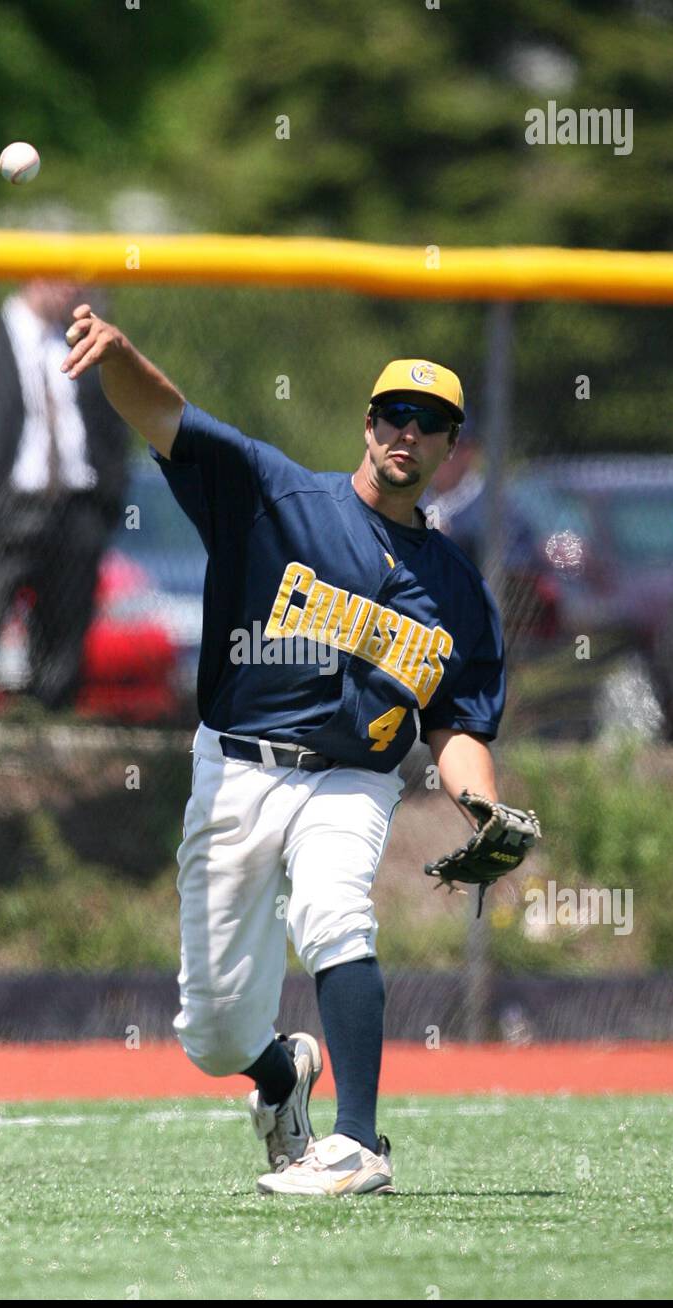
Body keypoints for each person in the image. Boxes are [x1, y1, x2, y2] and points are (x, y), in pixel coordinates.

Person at [63, 313, 517, 1196]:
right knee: (214, 1036)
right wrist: (118, 358)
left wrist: (483, 808)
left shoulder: (458, 589)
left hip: (353, 777)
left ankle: (358, 1144)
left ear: (452, 446)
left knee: (336, 915)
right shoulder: (277, 496)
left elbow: (457, 725)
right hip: (235, 766)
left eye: (427, 422)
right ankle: (280, 1075)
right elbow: (170, 421)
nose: (406, 433)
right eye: (393, 414)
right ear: (367, 422)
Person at [0, 279, 129, 711]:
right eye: (59, 277)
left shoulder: (80, 344)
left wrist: (103, 513)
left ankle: (45, 742)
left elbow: (112, 435)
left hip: (75, 514)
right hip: (2, 514)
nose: (69, 290)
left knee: (62, 656)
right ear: (31, 276)